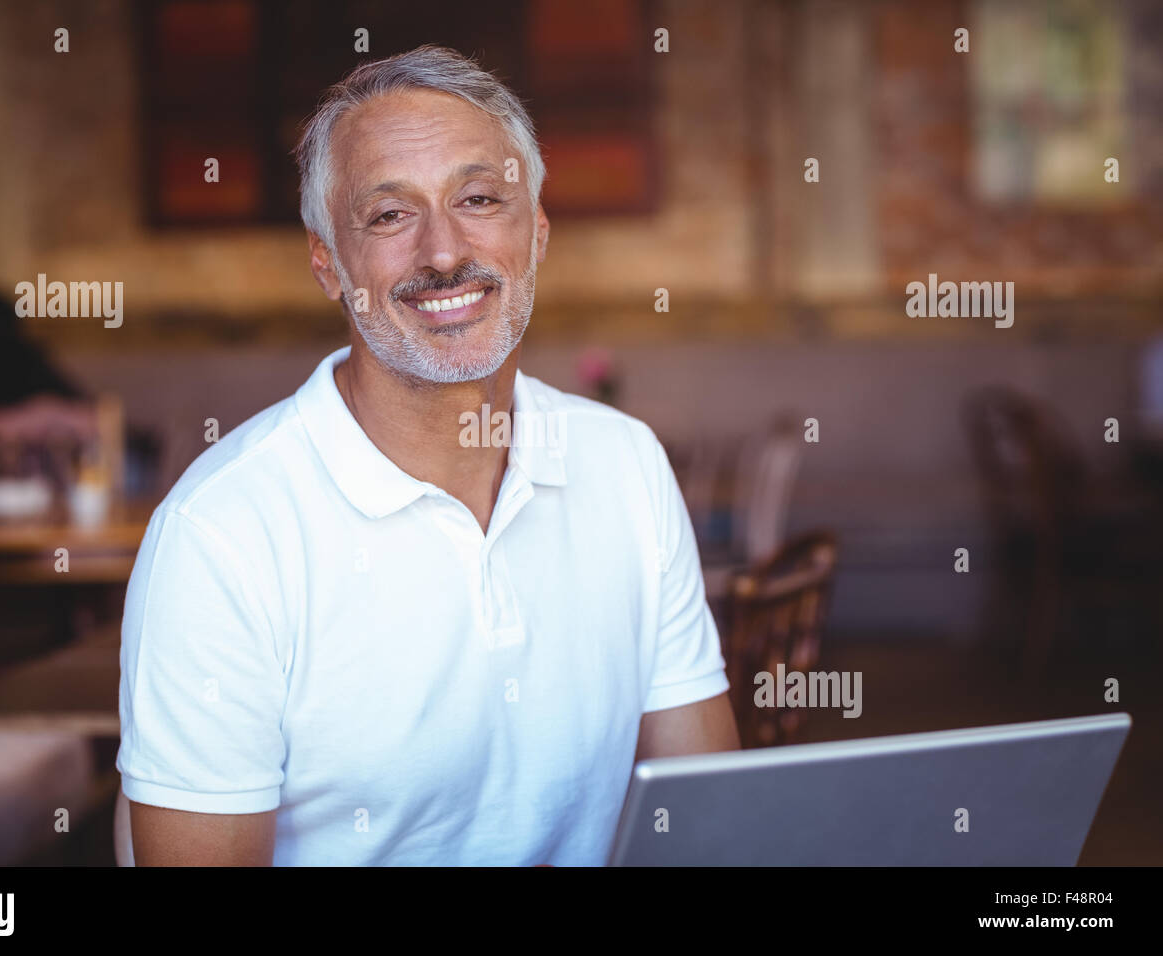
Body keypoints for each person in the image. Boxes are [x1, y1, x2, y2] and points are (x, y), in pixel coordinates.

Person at [117, 45, 739, 866]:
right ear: (327, 264)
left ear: (538, 234)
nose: (444, 252)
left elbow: (708, 824)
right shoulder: (222, 532)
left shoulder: (624, 463)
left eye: (479, 199)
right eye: (389, 215)